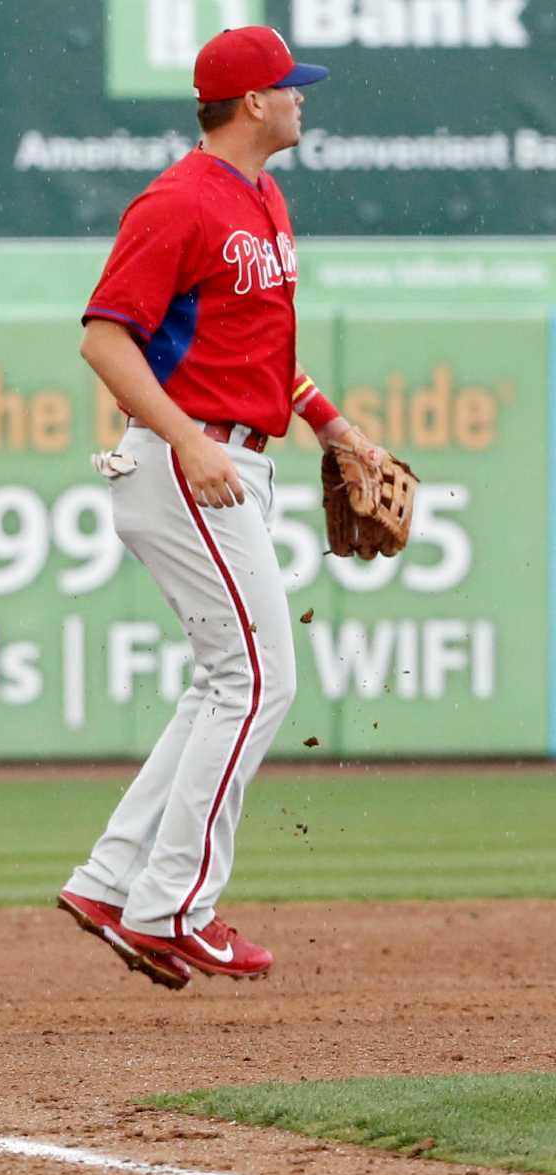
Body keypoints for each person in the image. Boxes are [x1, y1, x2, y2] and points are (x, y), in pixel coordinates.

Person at [56, 26, 389, 990]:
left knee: (223, 684)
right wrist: (192, 439)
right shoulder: (177, 202)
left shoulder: (263, 195)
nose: (302, 99)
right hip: (183, 462)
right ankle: (174, 909)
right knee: (258, 681)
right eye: (291, 88)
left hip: (227, 454)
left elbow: (256, 352)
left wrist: (328, 424)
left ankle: (112, 882)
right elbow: (105, 342)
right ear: (251, 103)